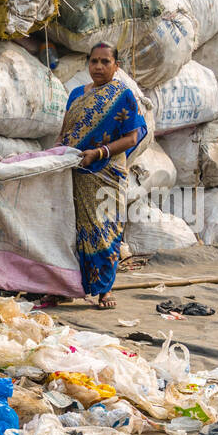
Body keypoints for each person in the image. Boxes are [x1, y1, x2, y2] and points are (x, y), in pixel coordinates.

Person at [54, 42, 148, 309]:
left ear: (116, 66)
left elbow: (132, 136)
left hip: (107, 172)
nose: (98, 66)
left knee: (106, 229)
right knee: (75, 231)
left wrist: (100, 153)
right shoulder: (75, 95)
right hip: (77, 172)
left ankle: (105, 289)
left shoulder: (123, 95)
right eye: (94, 61)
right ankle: (73, 286)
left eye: (105, 62)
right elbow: (65, 134)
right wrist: (55, 153)